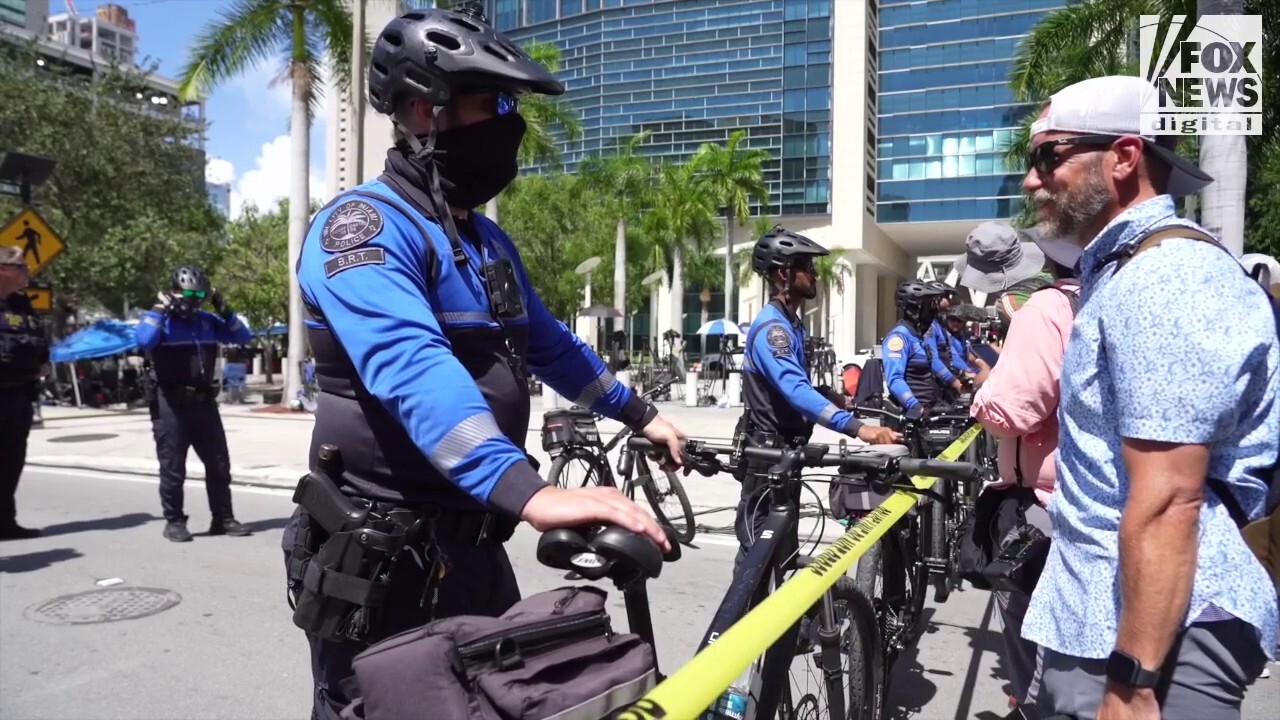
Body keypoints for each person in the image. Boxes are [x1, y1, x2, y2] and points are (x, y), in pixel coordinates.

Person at [285, 6, 687, 718]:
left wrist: (641, 415)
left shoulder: (484, 243)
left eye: (510, 104)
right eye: (490, 102)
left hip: (474, 547)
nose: (508, 123)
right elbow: (415, 372)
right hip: (385, 555)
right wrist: (534, 493)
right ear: (421, 109)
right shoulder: (363, 229)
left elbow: (551, 346)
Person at [1020, 75, 1277, 720]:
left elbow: (1169, 498)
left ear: (1125, 157)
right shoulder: (1128, 269)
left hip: (1152, 643)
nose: (1031, 180)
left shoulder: (1165, 278)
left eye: (1047, 156)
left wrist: (1132, 682)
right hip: (1115, 621)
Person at [962, 229, 1081, 714]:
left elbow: (1013, 409)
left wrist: (985, 393)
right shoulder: (1097, 300)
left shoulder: (1043, 310)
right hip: (1089, 499)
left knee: (1022, 617)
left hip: (1045, 500)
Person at [135, 265, 254, 543]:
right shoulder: (161, 321)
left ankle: (223, 518)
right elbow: (143, 340)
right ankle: (174, 521)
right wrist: (159, 308)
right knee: (174, 467)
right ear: (173, 292)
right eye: (187, 294)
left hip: (204, 403)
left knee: (219, 465)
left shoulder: (206, 320)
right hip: (171, 404)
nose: (192, 300)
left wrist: (223, 307)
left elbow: (243, 336)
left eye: (199, 295)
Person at [0, 246, 48, 539]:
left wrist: (44, 360)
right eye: (21, 267)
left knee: (12, 460)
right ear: (3, 269)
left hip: (20, 393)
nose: (28, 272)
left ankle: (5, 522)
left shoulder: (22, 303)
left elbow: (37, 334)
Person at [882, 281, 960, 418]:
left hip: (929, 409)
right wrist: (915, 405)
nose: (933, 311)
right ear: (914, 309)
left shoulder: (918, 336)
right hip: (912, 415)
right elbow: (894, 379)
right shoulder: (899, 338)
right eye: (928, 306)